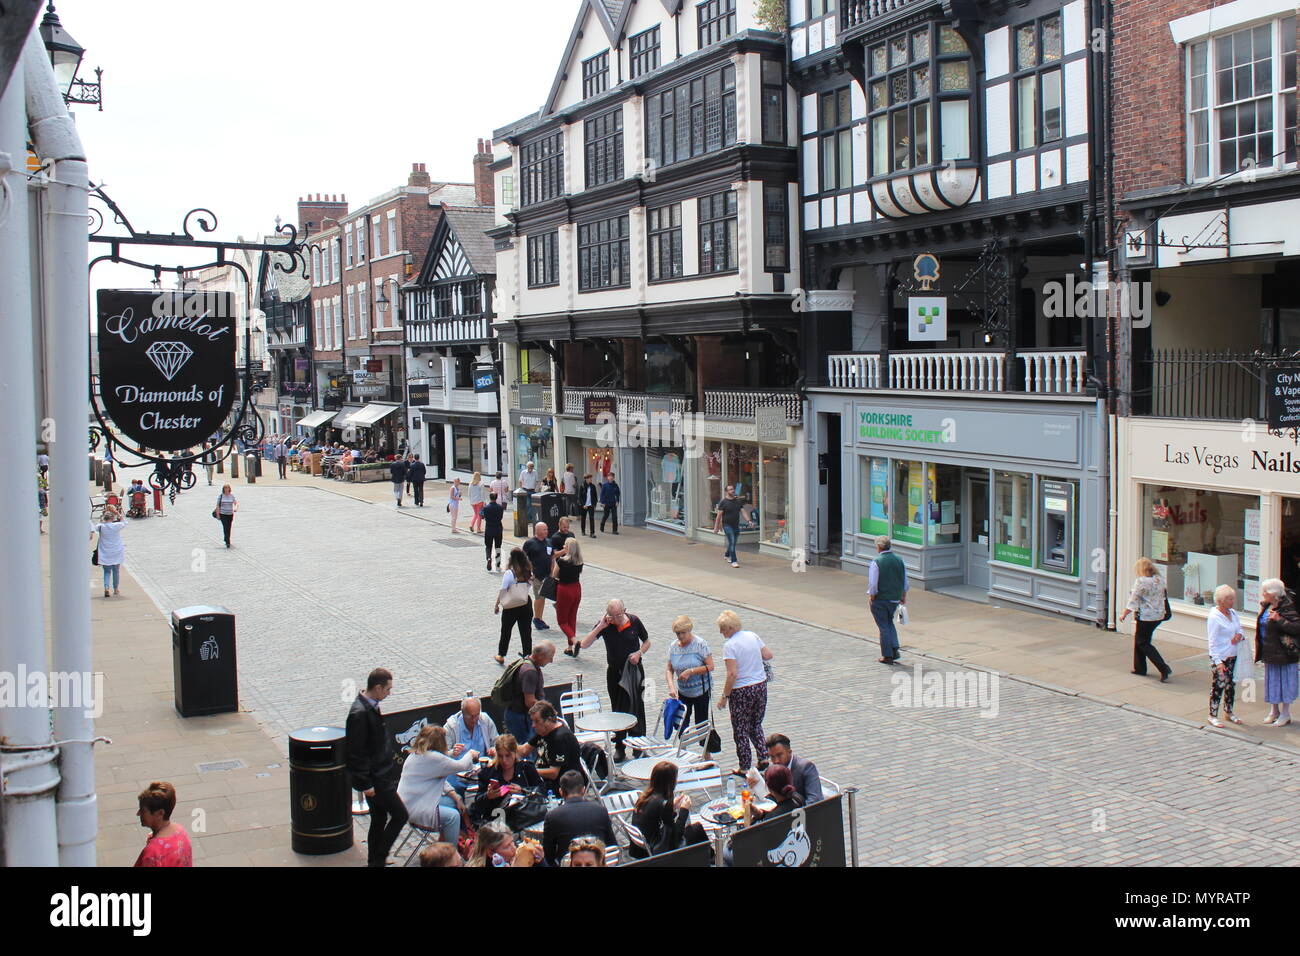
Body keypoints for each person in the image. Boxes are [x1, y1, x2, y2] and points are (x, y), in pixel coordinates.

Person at [346, 667, 408, 867]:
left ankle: (375, 860)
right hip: (376, 779)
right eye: (387, 689)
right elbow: (356, 752)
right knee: (400, 815)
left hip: (380, 774)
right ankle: (379, 858)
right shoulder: (360, 713)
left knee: (379, 818)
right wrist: (365, 784)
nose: (389, 693)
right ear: (378, 687)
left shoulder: (370, 705)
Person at [579, 598, 651, 760]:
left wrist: (639, 653)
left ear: (625, 610)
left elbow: (646, 642)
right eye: (613, 616)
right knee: (618, 708)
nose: (617, 619)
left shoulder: (634, 621)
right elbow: (584, 644)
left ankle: (638, 744)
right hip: (615, 673)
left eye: (620, 614)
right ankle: (620, 745)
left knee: (636, 706)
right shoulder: (606, 625)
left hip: (634, 671)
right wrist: (600, 627)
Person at [715, 610, 772, 776]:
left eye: (723, 629)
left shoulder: (730, 646)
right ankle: (763, 757)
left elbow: (732, 674)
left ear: (731, 627)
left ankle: (745, 765)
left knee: (740, 729)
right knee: (756, 724)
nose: (721, 632)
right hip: (760, 686)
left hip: (742, 690)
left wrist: (724, 696)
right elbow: (768, 654)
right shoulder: (752, 636)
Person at [628, 761, 707, 860]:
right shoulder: (663, 803)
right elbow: (676, 836)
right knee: (696, 830)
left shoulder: (645, 797)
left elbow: (660, 820)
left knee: (696, 830)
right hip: (657, 852)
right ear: (671, 782)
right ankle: (711, 859)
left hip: (641, 849)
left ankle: (711, 857)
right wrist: (684, 810)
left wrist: (672, 807)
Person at [541, 769, 617, 866]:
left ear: (561, 792)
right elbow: (612, 845)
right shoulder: (600, 810)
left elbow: (548, 855)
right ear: (584, 790)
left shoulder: (552, 816)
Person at [1119, 557, 1172, 681]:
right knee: (1140, 640)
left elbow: (1134, 599)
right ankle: (1140, 668)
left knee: (1143, 643)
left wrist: (1124, 614)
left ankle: (1163, 667)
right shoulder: (1160, 580)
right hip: (1159, 615)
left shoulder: (1141, 581)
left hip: (1146, 616)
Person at [1256, 577, 1300, 727]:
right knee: (1273, 682)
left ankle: (1286, 713)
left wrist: (1279, 619)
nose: (1262, 594)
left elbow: (1296, 628)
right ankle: (1273, 711)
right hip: (1270, 650)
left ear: (1273, 593)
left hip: (1284, 653)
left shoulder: (1287, 607)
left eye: (1265, 591)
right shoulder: (1267, 605)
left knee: (1285, 683)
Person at [517, 700, 585, 793]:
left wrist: (530, 771)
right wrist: (504, 748)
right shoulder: (544, 732)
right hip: (541, 779)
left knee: (518, 789)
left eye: (536, 721)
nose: (533, 725)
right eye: (533, 721)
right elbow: (524, 750)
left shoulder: (560, 738)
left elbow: (553, 773)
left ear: (548, 720)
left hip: (560, 786)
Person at [473, 733, 543, 823]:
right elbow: (478, 806)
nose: (504, 760)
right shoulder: (488, 773)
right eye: (501, 756)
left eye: (508, 755)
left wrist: (523, 791)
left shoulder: (526, 768)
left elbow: (542, 791)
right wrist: (488, 796)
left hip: (523, 818)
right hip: (496, 821)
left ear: (515, 753)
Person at [500, 642, 556, 747]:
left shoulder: (525, 662)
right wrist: (548, 710)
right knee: (527, 750)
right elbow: (530, 702)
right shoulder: (530, 672)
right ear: (540, 655)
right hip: (521, 719)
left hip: (515, 715)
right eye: (550, 657)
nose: (551, 661)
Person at [1206, 585, 1245, 729]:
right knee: (1218, 685)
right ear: (1221, 600)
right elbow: (1212, 642)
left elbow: (1239, 628)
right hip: (1221, 657)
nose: (1232, 601)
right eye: (1229, 599)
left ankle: (1229, 711)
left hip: (1233, 655)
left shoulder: (1233, 613)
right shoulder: (1214, 618)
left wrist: (1239, 635)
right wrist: (1217, 662)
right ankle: (1212, 715)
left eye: (1233, 598)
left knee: (1231, 685)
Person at [666, 615, 714, 729]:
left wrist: (691, 671)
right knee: (681, 725)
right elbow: (669, 669)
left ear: (689, 630)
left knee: (701, 725)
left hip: (700, 691)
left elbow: (711, 666)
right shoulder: (673, 647)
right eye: (678, 633)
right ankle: (683, 747)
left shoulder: (700, 644)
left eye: (683, 633)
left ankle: (704, 745)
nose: (680, 636)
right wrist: (671, 687)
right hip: (683, 691)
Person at [443, 697, 498, 794]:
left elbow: (497, 742)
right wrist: (453, 752)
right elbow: (441, 756)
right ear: (463, 713)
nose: (474, 720)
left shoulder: (485, 720)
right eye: (470, 717)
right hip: (457, 776)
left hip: (482, 772)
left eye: (477, 715)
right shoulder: (450, 727)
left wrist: (494, 749)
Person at [868, 536, 908, 664]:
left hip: (881, 599)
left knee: (883, 626)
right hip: (894, 599)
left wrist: (872, 596)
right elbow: (905, 581)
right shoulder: (899, 560)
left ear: (878, 547)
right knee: (889, 622)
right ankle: (894, 649)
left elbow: (873, 584)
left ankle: (887, 655)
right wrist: (903, 596)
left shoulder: (877, 561)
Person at [133, 781, 193, 867]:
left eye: (143, 811)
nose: (138, 813)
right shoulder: (180, 831)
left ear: (160, 813)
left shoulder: (153, 853)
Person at [494, 548, 534, 664]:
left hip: (511, 606)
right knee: (526, 631)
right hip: (525, 603)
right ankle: (527, 654)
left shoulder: (510, 573)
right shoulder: (528, 571)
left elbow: (503, 590)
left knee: (506, 631)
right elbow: (529, 585)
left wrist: (497, 604)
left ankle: (501, 654)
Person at [764, 733, 823, 805]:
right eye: (772, 757)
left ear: (789, 752)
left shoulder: (806, 767)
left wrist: (791, 812)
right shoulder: (774, 770)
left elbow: (815, 800)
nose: (776, 761)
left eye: (779, 755)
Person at [553, 535, 585, 656]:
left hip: (564, 590)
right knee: (572, 618)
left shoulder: (562, 561)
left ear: (569, 548)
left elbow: (554, 574)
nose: (563, 546)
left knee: (562, 621)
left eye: (565, 545)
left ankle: (574, 640)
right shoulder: (580, 562)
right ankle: (569, 647)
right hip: (576, 589)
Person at [523, 521, 554, 631]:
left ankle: (539, 618)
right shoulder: (530, 543)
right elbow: (524, 558)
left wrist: (552, 571)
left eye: (546, 529)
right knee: (539, 597)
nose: (546, 531)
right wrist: (528, 572)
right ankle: (536, 618)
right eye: (544, 529)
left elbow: (552, 557)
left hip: (547, 575)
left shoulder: (549, 542)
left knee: (543, 597)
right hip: (536, 575)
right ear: (537, 531)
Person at [90, 505, 126, 598]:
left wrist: (102, 518)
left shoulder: (101, 526)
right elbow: (124, 522)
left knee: (107, 571)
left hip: (105, 551)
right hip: (116, 550)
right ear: (112, 518)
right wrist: (116, 512)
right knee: (116, 571)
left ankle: (106, 588)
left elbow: (94, 528)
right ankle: (116, 588)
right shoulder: (117, 526)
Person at [466, 822, 539, 867]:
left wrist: (539, 862)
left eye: (512, 842)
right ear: (491, 853)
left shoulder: (510, 859)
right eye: (507, 846)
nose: (514, 847)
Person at [713, 484, 745, 568]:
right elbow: (719, 516)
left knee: (732, 542)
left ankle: (727, 555)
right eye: (730, 489)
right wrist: (716, 527)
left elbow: (743, 511)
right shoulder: (723, 502)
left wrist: (749, 521)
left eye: (733, 489)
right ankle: (734, 561)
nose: (733, 490)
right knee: (732, 540)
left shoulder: (738, 501)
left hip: (736, 525)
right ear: (727, 492)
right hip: (727, 525)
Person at [482, 492, 506, 572]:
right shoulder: (500, 507)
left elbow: (482, 516)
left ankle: (489, 558)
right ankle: (498, 563)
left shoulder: (486, 508)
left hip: (489, 528)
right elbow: (501, 517)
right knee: (498, 547)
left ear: (490, 498)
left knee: (488, 546)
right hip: (498, 528)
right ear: (496, 498)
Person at [214, 484, 238, 549]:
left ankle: (226, 538)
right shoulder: (221, 496)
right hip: (223, 514)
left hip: (230, 514)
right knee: (225, 526)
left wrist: (235, 508)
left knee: (229, 527)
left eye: (227, 488)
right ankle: (228, 541)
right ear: (223, 489)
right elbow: (218, 506)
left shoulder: (231, 496)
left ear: (229, 489)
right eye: (225, 488)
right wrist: (218, 514)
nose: (226, 489)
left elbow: (235, 503)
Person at [579, 473, 599, 538]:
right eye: (590, 478)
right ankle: (583, 531)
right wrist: (583, 504)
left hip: (591, 505)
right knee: (583, 518)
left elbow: (595, 496)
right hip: (584, 505)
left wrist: (595, 504)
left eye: (591, 478)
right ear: (586, 479)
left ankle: (592, 533)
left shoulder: (593, 486)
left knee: (591, 518)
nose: (591, 479)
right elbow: (580, 497)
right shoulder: (582, 486)